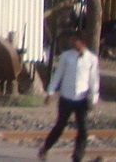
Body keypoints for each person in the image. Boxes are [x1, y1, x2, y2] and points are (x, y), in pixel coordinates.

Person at [40, 31, 100, 161]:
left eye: (75, 40)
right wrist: (50, 92)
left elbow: (94, 80)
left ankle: (77, 157)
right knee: (60, 126)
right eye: (71, 40)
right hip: (66, 97)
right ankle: (45, 148)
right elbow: (58, 75)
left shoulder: (91, 59)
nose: (71, 43)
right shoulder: (66, 56)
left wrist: (94, 98)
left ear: (82, 42)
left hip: (82, 99)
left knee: (83, 130)